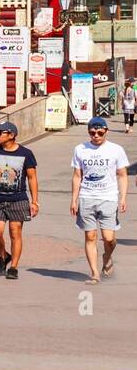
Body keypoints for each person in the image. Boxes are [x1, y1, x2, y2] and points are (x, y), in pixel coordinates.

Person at [0, 120, 39, 280]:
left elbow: (32, 178)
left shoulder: (26, 153)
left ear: (11, 135)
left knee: (15, 233)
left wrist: (35, 201)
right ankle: (4, 255)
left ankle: (14, 267)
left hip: (18, 199)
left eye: (0, 133)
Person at [70, 116, 129, 284]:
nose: (96, 136)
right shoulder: (80, 149)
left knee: (109, 239)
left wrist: (123, 198)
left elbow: (123, 175)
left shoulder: (116, 150)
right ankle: (95, 273)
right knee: (90, 236)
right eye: (92, 132)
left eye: (99, 132)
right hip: (86, 197)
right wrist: (74, 200)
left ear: (106, 132)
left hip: (109, 197)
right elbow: (76, 176)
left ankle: (107, 256)